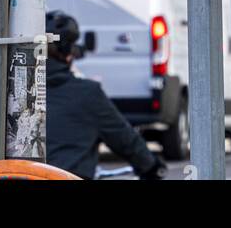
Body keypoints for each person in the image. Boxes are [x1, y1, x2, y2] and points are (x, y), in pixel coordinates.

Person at [44, 10, 166, 181]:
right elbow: (124, 138)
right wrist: (152, 167)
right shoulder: (86, 94)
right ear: (68, 52)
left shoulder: (14, 94)